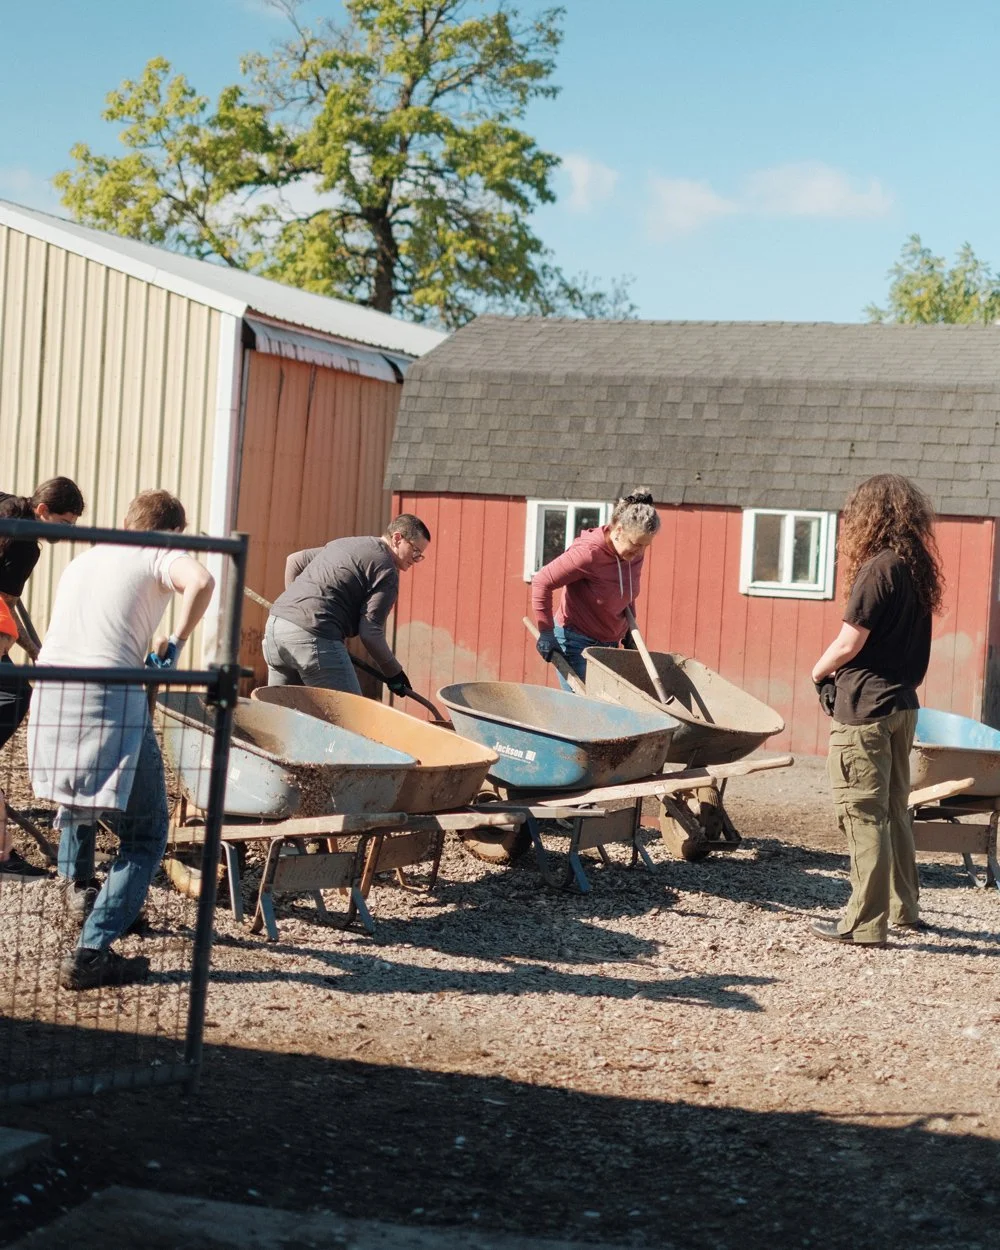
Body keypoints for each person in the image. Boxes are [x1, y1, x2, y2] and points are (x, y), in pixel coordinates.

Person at [28, 489, 215, 991]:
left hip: (51, 692)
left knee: (79, 800)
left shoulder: (89, 557)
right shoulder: (158, 550)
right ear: (172, 532)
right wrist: (175, 641)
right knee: (147, 834)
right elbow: (202, 580)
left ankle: (84, 894)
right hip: (107, 695)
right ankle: (92, 950)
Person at [810, 474, 944, 949]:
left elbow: (850, 641)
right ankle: (904, 909)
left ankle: (864, 923)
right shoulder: (915, 569)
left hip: (866, 708)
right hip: (904, 704)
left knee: (863, 814)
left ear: (868, 517)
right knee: (895, 811)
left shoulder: (878, 569)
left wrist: (817, 671)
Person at [0, 477, 85, 879]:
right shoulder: (28, 545)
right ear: (43, 512)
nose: (64, 532)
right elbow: (8, 607)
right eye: (64, 524)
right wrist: (34, 650)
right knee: (18, 692)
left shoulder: (5, 503)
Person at [264, 515, 431, 696]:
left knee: (281, 714)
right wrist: (394, 673)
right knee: (349, 716)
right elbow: (370, 633)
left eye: (420, 556)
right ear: (397, 538)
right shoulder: (386, 572)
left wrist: (297, 611)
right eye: (415, 551)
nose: (416, 559)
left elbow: (295, 560)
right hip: (314, 638)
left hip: (275, 630)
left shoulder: (346, 544)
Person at [531, 489, 661, 688]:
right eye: (636, 544)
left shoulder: (631, 554)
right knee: (587, 712)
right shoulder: (588, 553)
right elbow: (542, 581)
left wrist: (627, 629)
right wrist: (546, 631)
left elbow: (624, 590)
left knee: (608, 710)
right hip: (577, 644)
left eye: (645, 546)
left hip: (609, 647)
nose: (639, 552)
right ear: (618, 530)